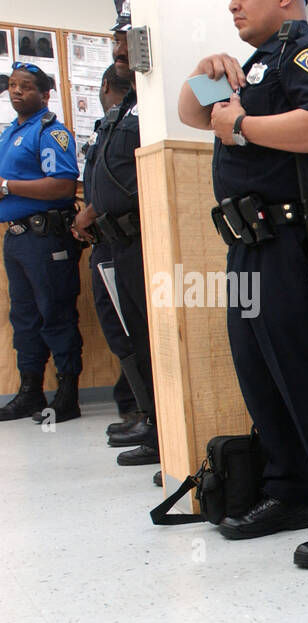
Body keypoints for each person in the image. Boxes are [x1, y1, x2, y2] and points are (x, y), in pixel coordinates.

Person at [178, 0, 308, 568]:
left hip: (298, 243)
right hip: (248, 243)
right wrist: (203, 71)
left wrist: (240, 124)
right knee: (260, 376)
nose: (233, 4)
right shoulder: (250, 66)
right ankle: (292, 492)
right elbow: (195, 115)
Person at [72, 2, 161, 467]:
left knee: (150, 335)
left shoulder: (158, 100)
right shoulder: (125, 106)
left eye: (126, 36)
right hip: (112, 240)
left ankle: (163, 426)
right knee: (128, 335)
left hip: (143, 240)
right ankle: (152, 419)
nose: (118, 46)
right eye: (115, 38)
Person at [0, 64, 82, 424]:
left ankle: (67, 395)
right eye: (13, 86)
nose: (17, 91)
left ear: (45, 94)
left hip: (45, 237)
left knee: (56, 313)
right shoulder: (9, 133)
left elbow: (63, 185)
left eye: (27, 87)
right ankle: (31, 391)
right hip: (16, 239)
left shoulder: (51, 132)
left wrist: (7, 187)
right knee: (24, 318)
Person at [80, 62, 140, 429]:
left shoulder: (131, 118)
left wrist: (88, 211)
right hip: (106, 238)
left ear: (104, 86)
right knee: (120, 327)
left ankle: (143, 412)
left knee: (133, 331)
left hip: (127, 236)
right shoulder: (111, 123)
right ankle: (141, 411)